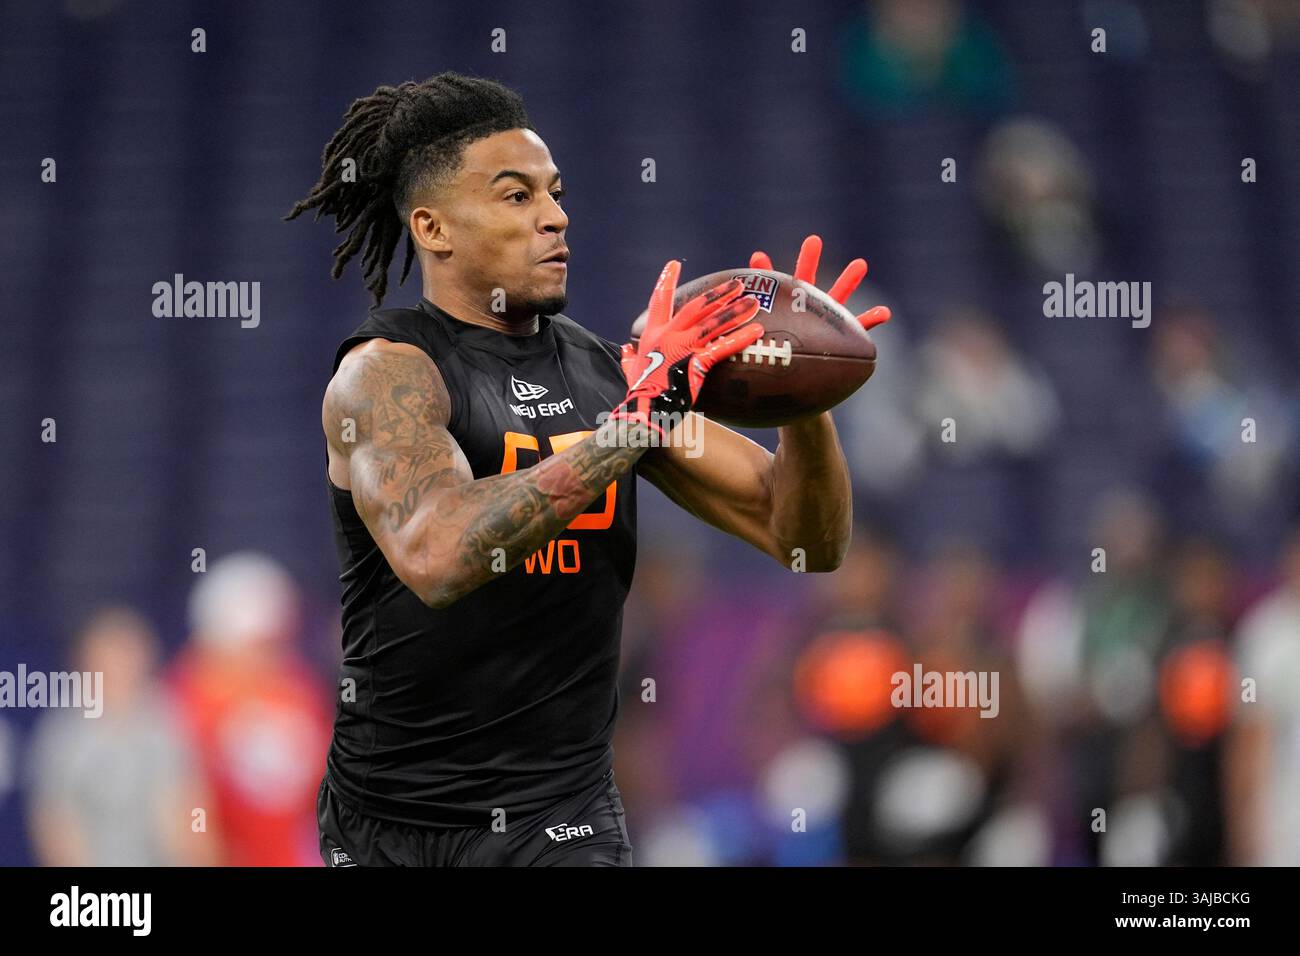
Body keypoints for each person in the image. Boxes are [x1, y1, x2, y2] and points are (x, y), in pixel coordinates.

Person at [286, 71, 890, 866]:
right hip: (391, 822)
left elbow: (806, 540)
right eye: (516, 197)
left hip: (558, 815)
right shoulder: (387, 374)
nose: (556, 216)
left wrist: (799, 394)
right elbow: (435, 553)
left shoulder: (611, 374)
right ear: (433, 228)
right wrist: (634, 424)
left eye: (556, 193)